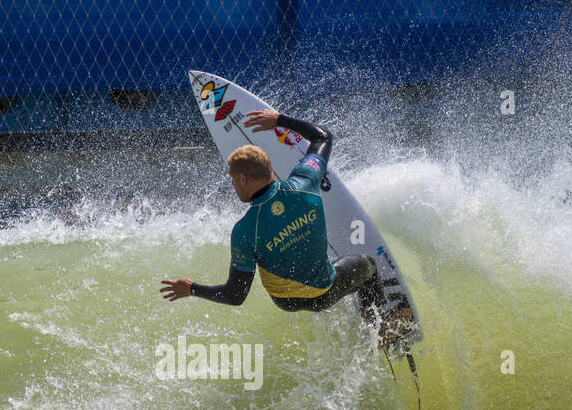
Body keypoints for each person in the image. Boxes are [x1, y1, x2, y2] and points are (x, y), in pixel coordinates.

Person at [160, 109, 399, 339]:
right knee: (367, 265)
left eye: (233, 181)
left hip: (286, 302)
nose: (233, 186)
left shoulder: (244, 230)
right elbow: (322, 136)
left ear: (243, 179)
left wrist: (191, 289)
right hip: (325, 292)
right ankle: (378, 327)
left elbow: (235, 295)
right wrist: (278, 120)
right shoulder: (305, 180)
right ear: (270, 169)